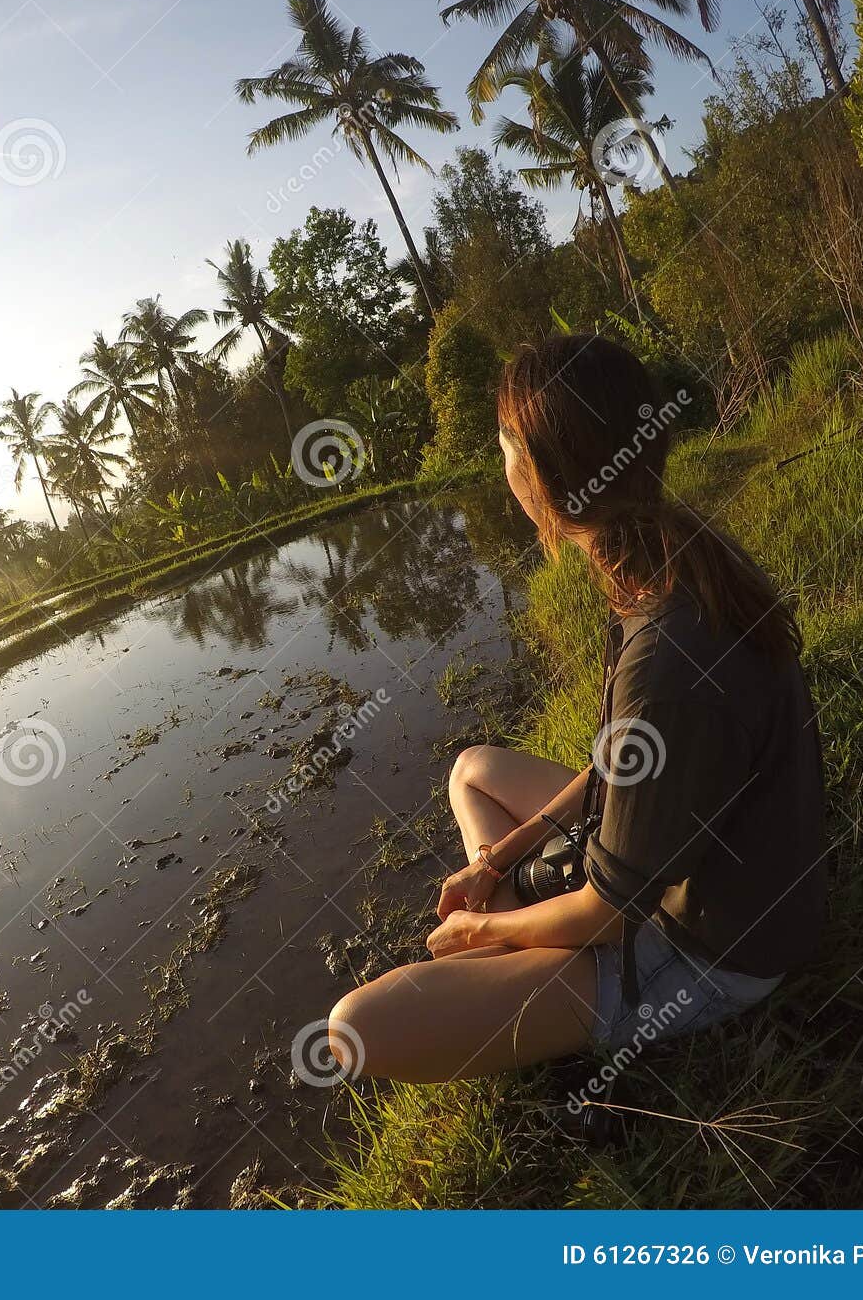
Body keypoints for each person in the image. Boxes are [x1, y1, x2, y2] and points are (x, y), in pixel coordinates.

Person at [328, 334, 826, 1083]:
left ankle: (526, 948)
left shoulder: (666, 655)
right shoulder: (676, 553)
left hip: (714, 952)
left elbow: (610, 913)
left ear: (546, 478)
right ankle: (520, 927)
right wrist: (504, 852)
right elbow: (623, 758)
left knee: (356, 1030)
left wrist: (482, 927)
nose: (503, 470)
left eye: (506, 450)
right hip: (698, 857)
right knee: (473, 770)